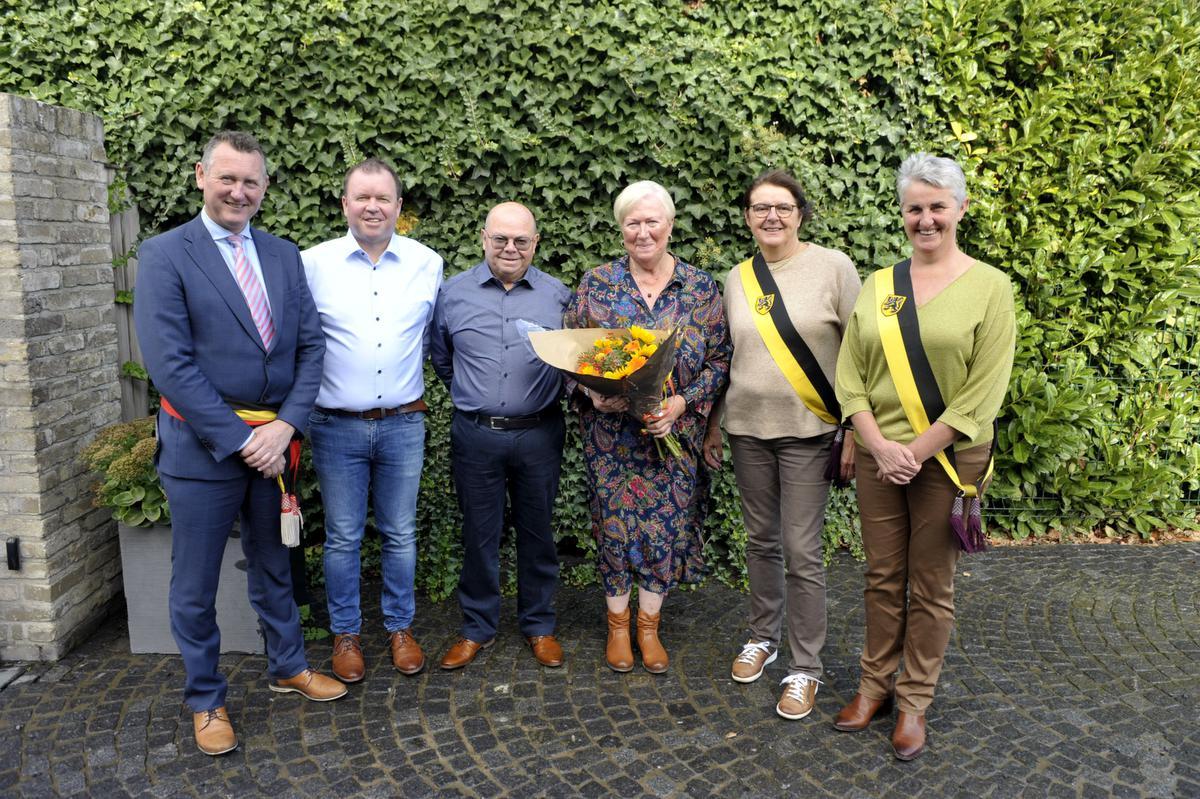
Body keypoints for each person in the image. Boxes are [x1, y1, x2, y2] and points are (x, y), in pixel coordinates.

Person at [134, 131, 345, 757]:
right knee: (194, 584)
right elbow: (169, 365)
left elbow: (311, 347)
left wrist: (286, 426)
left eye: (250, 181)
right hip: (203, 451)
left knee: (275, 564)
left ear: (264, 187)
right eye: (227, 178)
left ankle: (288, 665)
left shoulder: (283, 255)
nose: (238, 191)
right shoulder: (166, 254)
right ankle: (206, 698)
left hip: (276, 445)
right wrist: (241, 439)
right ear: (201, 176)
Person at [833, 153, 1016, 760]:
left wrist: (912, 451)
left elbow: (983, 393)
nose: (926, 219)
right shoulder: (878, 286)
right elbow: (849, 375)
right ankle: (873, 686)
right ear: (903, 213)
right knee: (881, 577)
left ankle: (914, 701)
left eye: (938, 206)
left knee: (931, 584)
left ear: (961, 209)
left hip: (948, 460)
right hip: (878, 454)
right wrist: (877, 444)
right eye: (915, 207)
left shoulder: (990, 287)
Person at [702, 170, 860, 719]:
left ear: (800, 213)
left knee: (802, 552)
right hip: (747, 431)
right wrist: (712, 423)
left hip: (810, 434)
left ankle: (805, 667)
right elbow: (728, 359)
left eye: (783, 207)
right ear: (747, 216)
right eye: (760, 208)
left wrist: (858, 430)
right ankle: (763, 637)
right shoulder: (738, 277)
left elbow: (862, 354)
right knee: (760, 542)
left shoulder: (834, 267)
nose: (771, 216)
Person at [568, 180, 731, 674]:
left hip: (672, 437)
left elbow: (720, 362)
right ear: (621, 230)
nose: (643, 232)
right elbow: (571, 352)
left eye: (651, 222)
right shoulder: (596, 284)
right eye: (632, 223)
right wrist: (591, 391)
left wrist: (683, 403)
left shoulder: (701, 288)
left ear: (670, 225)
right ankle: (619, 626)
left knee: (665, 529)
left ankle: (649, 627)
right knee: (614, 529)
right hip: (611, 437)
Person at [301, 158, 443, 682]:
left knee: (401, 533)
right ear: (344, 204)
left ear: (399, 207)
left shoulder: (429, 263)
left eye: (383, 197)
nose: (372, 206)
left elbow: (437, 342)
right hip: (335, 425)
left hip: (404, 424)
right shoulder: (312, 264)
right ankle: (346, 634)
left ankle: (400, 628)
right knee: (341, 536)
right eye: (361, 197)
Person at [431, 202, 572, 670]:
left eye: (521, 240)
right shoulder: (452, 294)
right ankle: (477, 627)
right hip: (476, 435)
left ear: (536, 243)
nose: (510, 248)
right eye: (500, 239)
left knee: (538, 534)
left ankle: (539, 625)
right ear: (483, 238)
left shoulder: (559, 297)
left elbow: (574, 361)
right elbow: (442, 358)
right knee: (478, 534)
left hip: (539, 434)